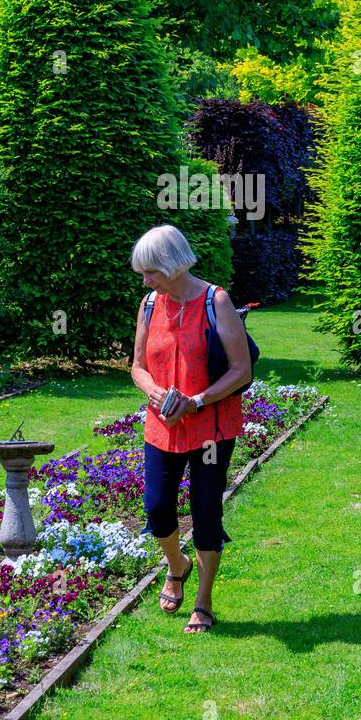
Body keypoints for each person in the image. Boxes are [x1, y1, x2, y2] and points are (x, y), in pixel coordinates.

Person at [130, 224, 250, 633]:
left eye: (150, 272)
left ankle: (203, 600)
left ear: (172, 266)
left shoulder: (217, 301)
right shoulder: (149, 305)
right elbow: (138, 367)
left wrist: (196, 401)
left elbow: (240, 369)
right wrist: (157, 394)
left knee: (206, 511)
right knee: (157, 507)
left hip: (211, 431)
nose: (145, 281)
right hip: (161, 428)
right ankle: (176, 564)